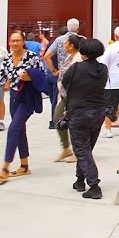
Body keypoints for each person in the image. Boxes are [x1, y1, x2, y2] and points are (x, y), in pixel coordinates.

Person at [0, 31, 48, 183]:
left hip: (27, 98)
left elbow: (43, 76)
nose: (15, 43)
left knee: (13, 129)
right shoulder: (7, 59)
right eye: (12, 41)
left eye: (18, 41)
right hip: (14, 98)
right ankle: (24, 166)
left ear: (23, 42)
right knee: (20, 130)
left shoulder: (32, 57)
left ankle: (5, 168)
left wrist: (29, 77)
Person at [60, 38, 109, 199]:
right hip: (98, 112)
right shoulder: (103, 69)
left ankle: (94, 185)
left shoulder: (75, 68)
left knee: (81, 149)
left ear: (83, 52)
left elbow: (64, 85)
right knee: (87, 148)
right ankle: (79, 180)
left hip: (79, 112)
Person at [50, 33, 83, 162]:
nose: (64, 45)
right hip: (64, 95)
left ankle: (78, 150)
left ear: (72, 45)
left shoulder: (79, 59)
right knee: (57, 118)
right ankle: (65, 148)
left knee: (75, 124)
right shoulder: (70, 56)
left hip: (74, 96)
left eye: (66, 43)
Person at [44, 21, 81, 130]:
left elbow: (47, 56)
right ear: (78, 29)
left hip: (63, 73)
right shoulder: (82, 39)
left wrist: (54, 71)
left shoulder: (59, 40)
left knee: (59, 99)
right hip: (78, 73)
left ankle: (55, 121)